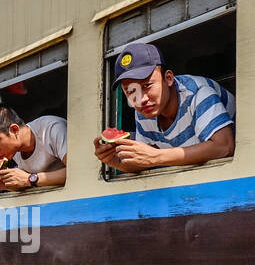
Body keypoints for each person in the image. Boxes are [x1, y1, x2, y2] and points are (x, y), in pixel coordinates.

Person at [92, 42, 235, 173]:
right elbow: (146, 159)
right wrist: (115, 161)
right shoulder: (143, 111)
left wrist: (157, 156)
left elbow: (224, 147)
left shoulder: (198, 93)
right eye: (131, 91)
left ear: (168, 78)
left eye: (147, 86)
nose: (141, 99)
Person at [0, 103, 67, 191]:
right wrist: (8, 184)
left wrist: (30, 179)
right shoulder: (15, 151)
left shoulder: (52, 129)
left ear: (14, 129)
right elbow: (28, 183)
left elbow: (77, 170)